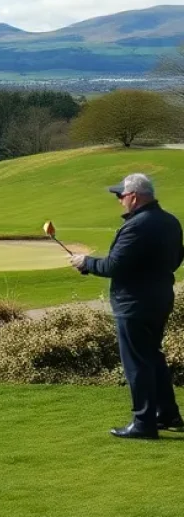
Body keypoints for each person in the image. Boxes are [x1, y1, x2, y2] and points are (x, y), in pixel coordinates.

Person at [70, 173, 184, 439]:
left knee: (137, 363)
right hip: (160, 298)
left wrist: (86, 263)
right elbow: (175, 259)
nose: (120, 201)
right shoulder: (170, 221)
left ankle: (143, 423)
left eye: (121, 196)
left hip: (134, 303)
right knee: (153, 357)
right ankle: (167, 414)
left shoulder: (136, 226)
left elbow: (113, 265)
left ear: (134, 196)